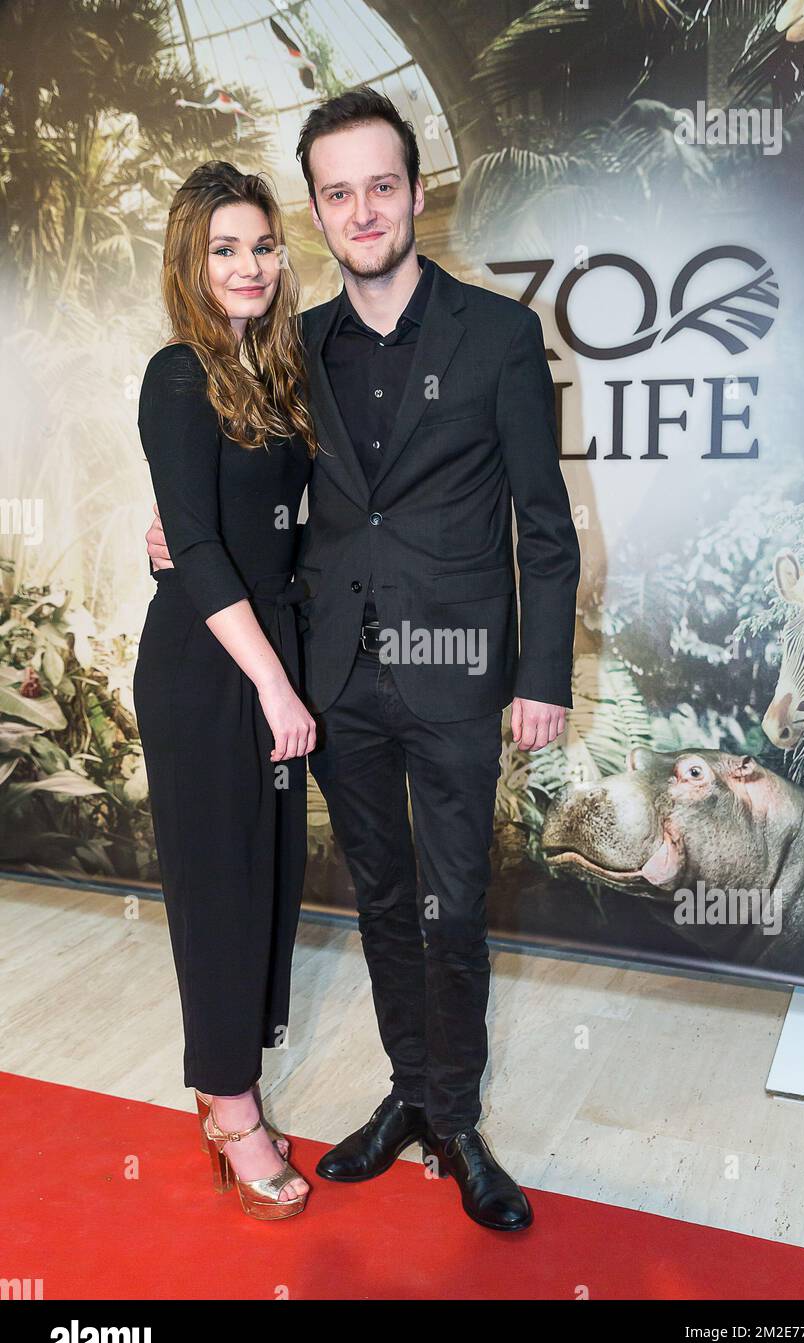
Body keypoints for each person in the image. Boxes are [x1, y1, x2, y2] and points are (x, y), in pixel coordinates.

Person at [148, 87, 581, 1233]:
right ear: (317, 212)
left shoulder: (496, 336)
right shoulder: (293, 351)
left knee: (454, 906)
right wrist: (172, 535)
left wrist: (540, 674)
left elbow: (543, 524)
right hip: (335, 674)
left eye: (379, 185)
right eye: (336, 193)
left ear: (415, 192)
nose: (361, 209)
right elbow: (242, 493)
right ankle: (406, 1092)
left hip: (457, 673)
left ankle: (457, 1120)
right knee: (381, 897)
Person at [134, 162, 317, 1220]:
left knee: (266, 883)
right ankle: (229, 1106)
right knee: (219, 891)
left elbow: (242, 529)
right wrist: (276, 688)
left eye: (261, 245)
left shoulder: (276, 374)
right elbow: (198, 549)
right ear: (189, 263)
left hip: (265, 648)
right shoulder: (179, 375)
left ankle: (233, 1076)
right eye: (223, 248)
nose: (248, 265)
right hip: (209, 673)